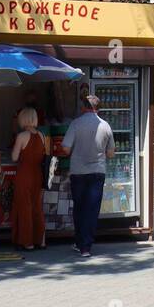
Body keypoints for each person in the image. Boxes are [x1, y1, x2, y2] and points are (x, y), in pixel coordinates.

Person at [61, 94, 114, 258]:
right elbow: (111, 153)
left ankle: (79, 242)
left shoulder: (75, 124)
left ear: (84, 107)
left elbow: (66, 149)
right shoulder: (105, 126)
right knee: (92, 210)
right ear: (98, 108)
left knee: (79, 208)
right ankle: (87, 246)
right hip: (98, 172)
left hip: (78, 172)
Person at [8, 107, 45, 251]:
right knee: (37, 207)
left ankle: (27, 242)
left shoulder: (22, 136)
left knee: (25, 208)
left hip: (24, 174)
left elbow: (14, 157)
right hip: (37, 174)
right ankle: (41, 241)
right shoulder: (41, 136)